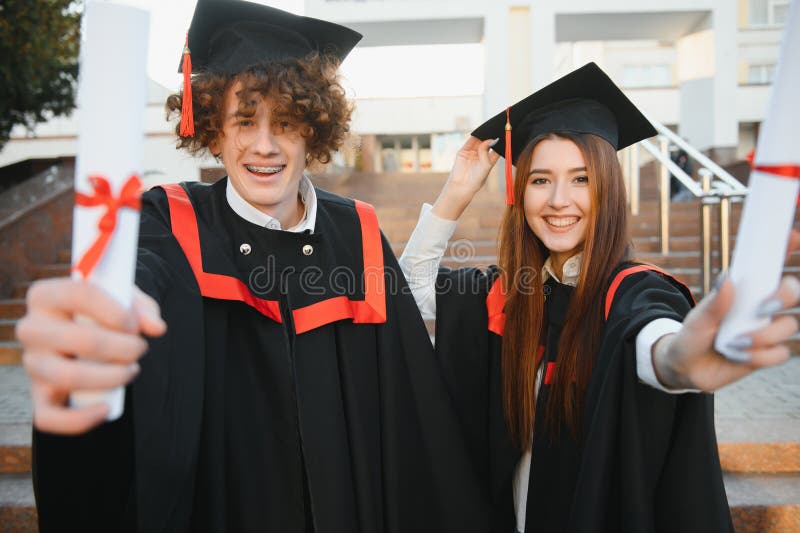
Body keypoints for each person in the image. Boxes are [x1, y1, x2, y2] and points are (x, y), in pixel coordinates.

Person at [17, 1, 489, 531]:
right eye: (244, 119)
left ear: (313, 132)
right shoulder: (170, 224)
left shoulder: (356, 234)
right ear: (214, 131)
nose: (264, 144)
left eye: (285, 122)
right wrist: (92, 318)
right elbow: (135, 279)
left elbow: (411, 413)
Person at [399, 62, 800, 532]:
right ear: (520, 191)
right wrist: (456, 193)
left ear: (608, 189)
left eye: (582, 179)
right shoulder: (513, 293)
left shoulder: (632, 290)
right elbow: (409, 290)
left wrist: (677, 362)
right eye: (540, 179)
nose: (558, 200)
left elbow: (653, 336)